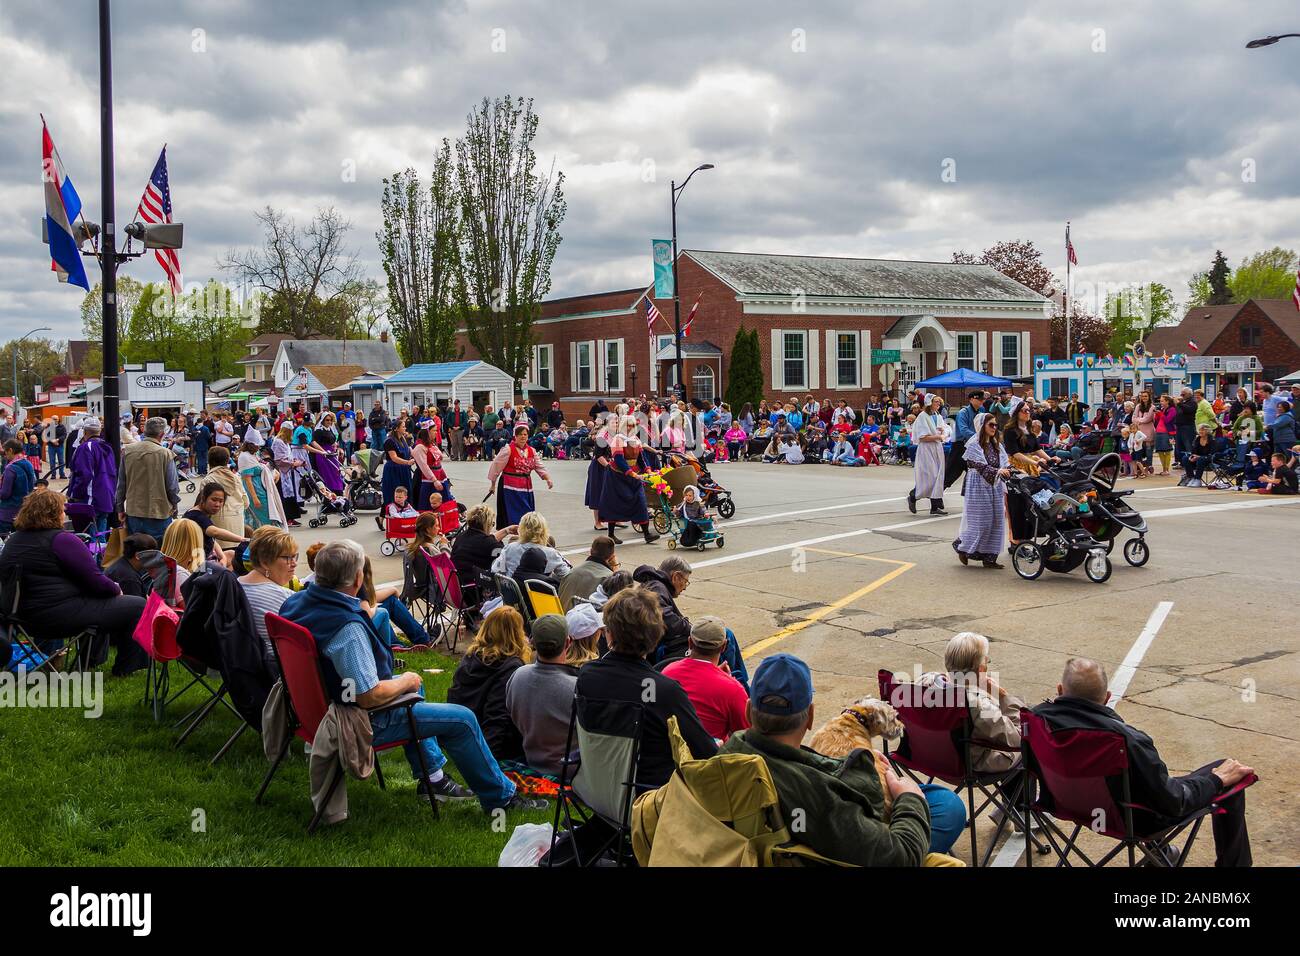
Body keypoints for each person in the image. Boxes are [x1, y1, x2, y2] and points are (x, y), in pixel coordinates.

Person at [279, 540, 545, 810]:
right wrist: (406, 679)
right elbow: (369, 696)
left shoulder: (295, 603)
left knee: (413, 691)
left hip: (309, 713)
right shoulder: (346, 628)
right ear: (358, 578)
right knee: (462, 719)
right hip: (355, 721)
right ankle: (502, 799)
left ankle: (433, 779)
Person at [718, 653, 965, 864]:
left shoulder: (726, 757)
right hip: (828, 843)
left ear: (749, 710)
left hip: (776, 831)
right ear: (810, 717)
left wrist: (852, 761)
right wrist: (910, 798)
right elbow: (900, 856)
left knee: (936, 796)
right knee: (947, 804)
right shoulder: (817, 794)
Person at [1033, 657, 1255, 866]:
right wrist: (1216, 780)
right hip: (1128, 821)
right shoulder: (1125, 740)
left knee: (1135, 785)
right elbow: (1173, 801)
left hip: (1067, 804)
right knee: (1230, 773)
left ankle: (1161, 854)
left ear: (1060, 690)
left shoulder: (1037, 722)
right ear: (1107, 697)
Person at [573, 585, 717, 789]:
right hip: (647, 798)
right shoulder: (663, 690)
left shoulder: (587, 675)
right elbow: (706, 751)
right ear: (655, 636)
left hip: (595, 789)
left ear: (609, 634)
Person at [0, 489, 147, 675]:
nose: (65, 514)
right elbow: (96, 580)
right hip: (57, 616)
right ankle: (126, 668)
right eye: (62, 510)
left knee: (101, 601)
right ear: (52, 513)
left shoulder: (14, 541)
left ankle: (89, 661)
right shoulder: (62, 540)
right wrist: (116, 589)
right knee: (137, 605)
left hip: (21, 618)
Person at [918, 632, 1024, 772]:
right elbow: (1018, 738)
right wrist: (1004, 696)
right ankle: (1019, 795)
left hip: (931, 755)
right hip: (967, 763)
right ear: (981, 669)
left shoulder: (924, 683)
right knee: (1031, 748)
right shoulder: (978, 705)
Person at [446, 604, 529, 762]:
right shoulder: (510, 666)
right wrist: (489, 761)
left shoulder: (472, 655)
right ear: (517, 633)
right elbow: (497, 715)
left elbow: (455, 696)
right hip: (487, 742)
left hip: (460, 734)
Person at [504, 612, 579, 775]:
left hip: (532, 761)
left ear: (533, 642)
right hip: (571, 771)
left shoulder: (518, 675)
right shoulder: (576, 688)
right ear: (568, 642)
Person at [661, 617, 750, 741]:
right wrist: (726, 680)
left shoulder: (668, 671)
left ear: (690, 642)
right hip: (709, 758)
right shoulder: (733, 689)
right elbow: (745, 737)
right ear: (724, 646)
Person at [953, 414, 1010, 569]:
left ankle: (989, 557)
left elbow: (1005, 461)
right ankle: (963, 548)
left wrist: (1008, 470)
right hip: (978, 484)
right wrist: (999, 471)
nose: (994, 428)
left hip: (995, 483)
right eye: (991, 425)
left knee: (997, 519)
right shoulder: (974, 444)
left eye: (996, 425)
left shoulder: (996, 443)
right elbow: (980, 466)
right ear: (982, 425)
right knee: (982, 521)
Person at [237, 525, 297, 661]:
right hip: (277, 668)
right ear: (265, 562)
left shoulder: (235, 585)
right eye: (288, 558)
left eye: (295, 557)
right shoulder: (286, 598)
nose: (294, 564)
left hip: (242, 665)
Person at [115, 417, 180, 539]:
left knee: (136, 553)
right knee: (158, 553)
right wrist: (174, 505)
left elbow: (121, 484)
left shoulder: (128, 451)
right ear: (162, 434)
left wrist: (119, 508)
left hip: (134, 512)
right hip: (159, 513)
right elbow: (172, 487)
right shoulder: (165, 454)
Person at [487, 424, 554, 528]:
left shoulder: (531, 450)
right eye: (520, 434)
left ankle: (525, 534)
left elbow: (539, 466)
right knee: (512, 514)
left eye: (525, 434)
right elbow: (496, 467)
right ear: (515, 436)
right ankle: (514, 535)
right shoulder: (508, 449)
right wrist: (493, 485)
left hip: (526, 487)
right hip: (509, 487)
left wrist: (548, 479)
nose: (523, 437)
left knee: (527, 513)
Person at [632, 555, 693, 660]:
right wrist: (691, 629)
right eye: (685, 581)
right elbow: (664, 617)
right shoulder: (657, 587)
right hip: (657, 648)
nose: (685, 587)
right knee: (722, 636)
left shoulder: (654, 585)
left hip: (653, 643)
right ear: (676, 577)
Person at [491, 511, 571, 579]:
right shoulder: (551, 553)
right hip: (539, 594)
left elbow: (495, 570)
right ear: (544, 531)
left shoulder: (510, 548)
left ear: (521, 529)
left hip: (513, 595)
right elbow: (567, 575)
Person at [451, 504, 517, 584]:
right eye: (492, 524)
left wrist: (507, 530)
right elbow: (507, 566)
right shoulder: (490, 545)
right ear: (487, 524)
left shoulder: (461, 536)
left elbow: (486, 540)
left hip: (459, 581)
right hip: (476, 586)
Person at [908, 394, 949, 516]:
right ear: (929, 403)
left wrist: (943, 432)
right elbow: (923, 437)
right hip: (927, 449)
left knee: (937, 477)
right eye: (936, 401)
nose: (938, 404)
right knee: (930, 477)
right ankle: (913, 496)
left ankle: (934, 506)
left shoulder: (937, 415)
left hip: (937, 448)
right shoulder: (922, 417)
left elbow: (945, 428)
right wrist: (939, 436)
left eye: (939, 402)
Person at [196, 447, 248, 541]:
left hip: (216, 531)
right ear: (227, 460)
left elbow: (202, 506)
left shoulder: (208, 480)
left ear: (209, 461)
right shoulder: (236, 478)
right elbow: (246, 503)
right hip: (238, 531)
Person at [183, 482, 248, 555]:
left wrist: (222, 556)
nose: (217, 505)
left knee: (231, 554)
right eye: (214, 500)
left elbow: (212, 540)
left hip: (205, 556)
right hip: (196, 560)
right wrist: (243, 539)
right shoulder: (195, 515)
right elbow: (215, 532)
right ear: (204, 498)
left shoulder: (204, 513)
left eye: (221, 501)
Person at [557, 536, 617, 610]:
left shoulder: (570, 572)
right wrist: (614, 570)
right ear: (612, 556)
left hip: (563, 618)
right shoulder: (609, 578)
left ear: (591, 551)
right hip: (589, 620)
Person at [944, 390, 984, 489]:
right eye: (978, 399)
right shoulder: (963, 412)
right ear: (971, 399)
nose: (980, 401)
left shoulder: (981, 412)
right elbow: (964, 430)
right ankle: (933, 497)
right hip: (960, 446)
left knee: (975, 474)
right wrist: (979, 437)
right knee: (949, 475)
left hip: (973, 446)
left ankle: (971, 498)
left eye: (982, 399)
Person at [104, 532, 158, 598]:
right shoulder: (129, 579)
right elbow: (137, 606)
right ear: (138, 556)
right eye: (152, 554)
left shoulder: (123, 564)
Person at [0, 439, 37, 533]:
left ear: (11, 450)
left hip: (8, 512)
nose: (5, 455)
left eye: (6, 452)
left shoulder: (11, 468)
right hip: (25, 510)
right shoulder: (28, 463)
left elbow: (5, 494)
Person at [380, 418, 415, 507]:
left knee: (406, 492)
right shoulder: (389, 441)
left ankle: (405, 513)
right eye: (403, 427)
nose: (405, 428)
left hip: (404, 469)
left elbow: (409, 452)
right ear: (396, 428)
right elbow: (394, 458)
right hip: (393, 470)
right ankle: (387, 515)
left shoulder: (403, 439)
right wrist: (407, 462)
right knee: (394, 493)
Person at [42, 416, 67, 480]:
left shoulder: (62, 427)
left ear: (58, 419)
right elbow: (46, 435)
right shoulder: (49, 427)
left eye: (56, 419)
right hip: (51, 446)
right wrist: (52, 441)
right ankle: (53, 475)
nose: (54, 420)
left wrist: (57, 440)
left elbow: (64, 435)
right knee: (52, 461)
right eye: (53, 419)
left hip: (59, 445)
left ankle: (62, 474)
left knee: (61, 460)